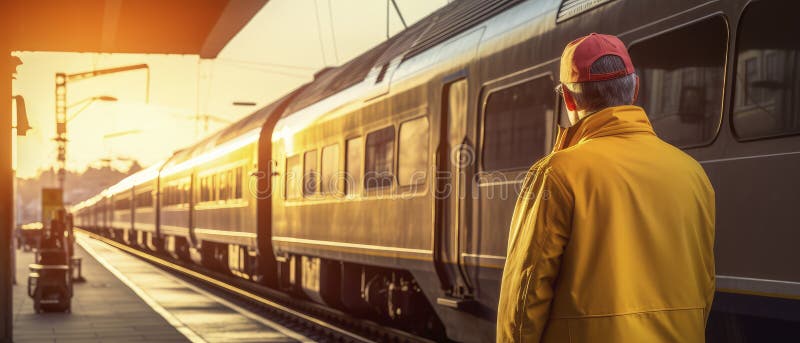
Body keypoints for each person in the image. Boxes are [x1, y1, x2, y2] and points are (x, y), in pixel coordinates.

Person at [496, 33, 716, 342]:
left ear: (568, 99)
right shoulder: (694, 175)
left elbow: (526, 295)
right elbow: (704, 286)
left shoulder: (556, 174)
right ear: (635, 89)